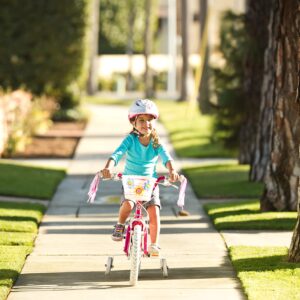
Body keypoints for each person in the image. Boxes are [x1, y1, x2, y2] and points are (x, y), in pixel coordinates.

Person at [101, 99, 179, 257]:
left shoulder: (156, 142)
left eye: (149, 120)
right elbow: (117, 154)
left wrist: (172, 171)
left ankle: (154, 244)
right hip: (131, 182)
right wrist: (108, 168)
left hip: (150, 184)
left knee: (154, 212)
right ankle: (120, 224)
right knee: (128, 205)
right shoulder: (130, 140)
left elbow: (166, 158)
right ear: (133, 122)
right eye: (141, 120)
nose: (146, 124)